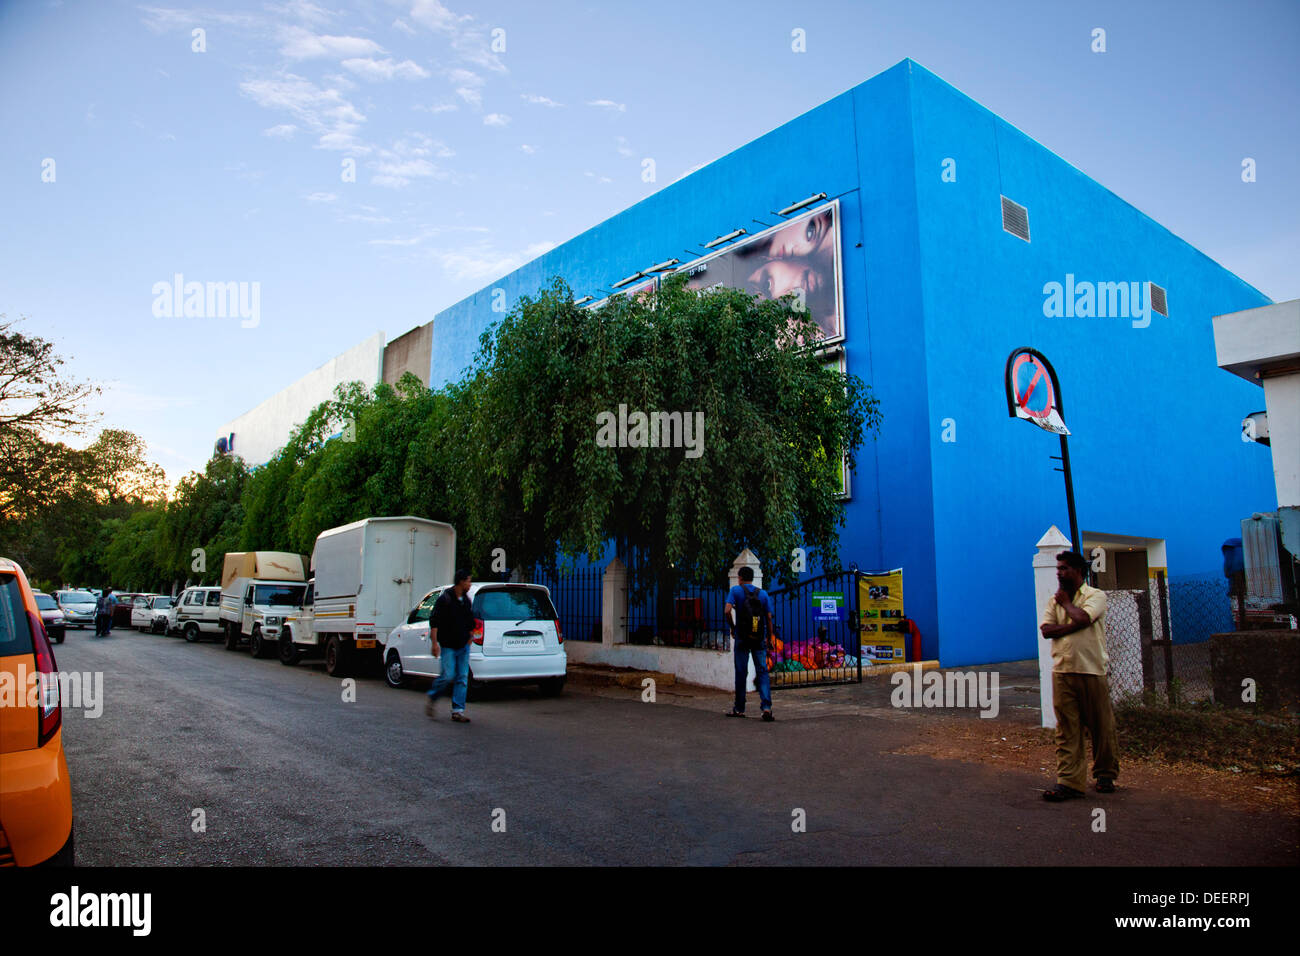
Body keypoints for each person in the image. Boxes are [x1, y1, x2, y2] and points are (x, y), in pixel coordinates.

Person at [1040, 551, 1119, 800]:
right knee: (1066, 728)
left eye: (1064, 568)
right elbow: (1047, 630)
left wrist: (1067, 607)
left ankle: (1105, 774)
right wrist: (1073, 624)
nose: (1059, 573)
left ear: (1078, 571)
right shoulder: (1054, 601)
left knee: (1101, 726)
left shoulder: (1095, 596)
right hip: (1062, 670)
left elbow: (1084, 616)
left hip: (1091, 670)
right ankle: (1069, 782)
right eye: (1058, 568)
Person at [723, 566, 775, 721]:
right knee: (762, 672)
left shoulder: (736, 591)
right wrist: (770, 637)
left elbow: (727, 610)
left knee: (741, 672)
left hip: (742, 638)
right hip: (758, 638)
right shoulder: (763, 594)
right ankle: (766, 707)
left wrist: (733, 628)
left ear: (739, 578)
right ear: (753, 578)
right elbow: (769, 618)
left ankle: (739, 708)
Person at [426, 569, 474, 723]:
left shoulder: (466, 600)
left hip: (463, 645)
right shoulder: (445, 599)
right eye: (468, 581)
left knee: (462, 677)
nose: (470, 584)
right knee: (448, 676)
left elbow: (470, 621)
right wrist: (434, 643)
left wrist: (471, 635)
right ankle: (433, 696)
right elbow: (434, 622)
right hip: (448, 645)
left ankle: (457, 711)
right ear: (461, 581)